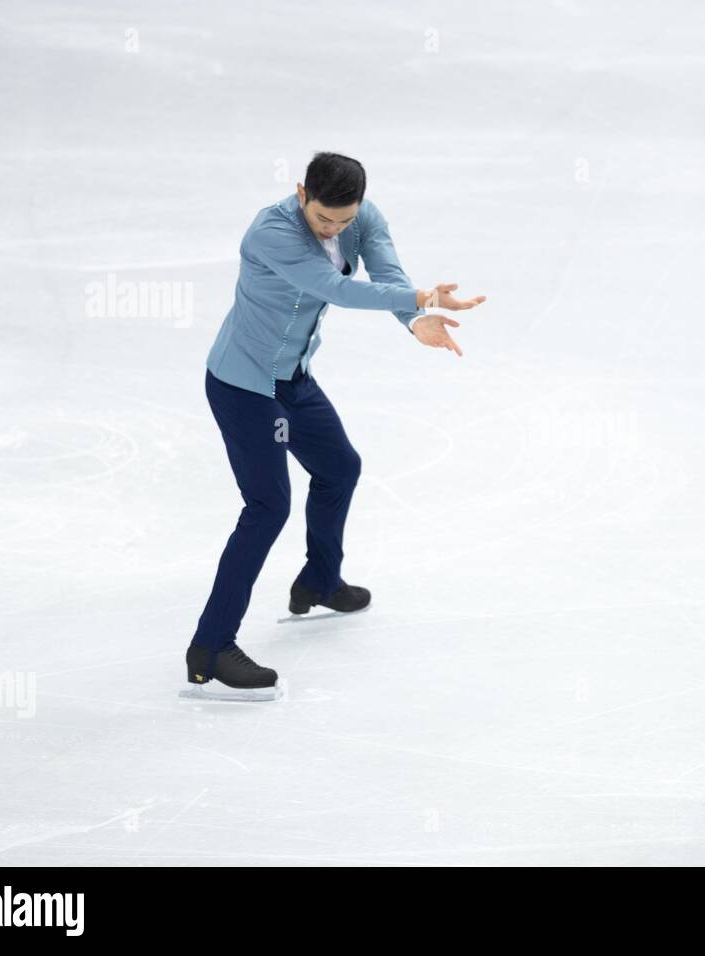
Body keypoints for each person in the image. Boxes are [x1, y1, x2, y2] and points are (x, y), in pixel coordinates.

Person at [184, 152, 485, 700]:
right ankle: (210, 645)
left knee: (339, 469)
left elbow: (387, 275)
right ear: (302, 193)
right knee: (267, 507)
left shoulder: (362, 218)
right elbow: (336, 288)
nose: (337, 229)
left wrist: (416, 319)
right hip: (243, 384)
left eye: (345, 221)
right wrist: (419, 299)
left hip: (292, 379)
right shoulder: (270, 231)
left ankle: (319, 580)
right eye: (325, 219)